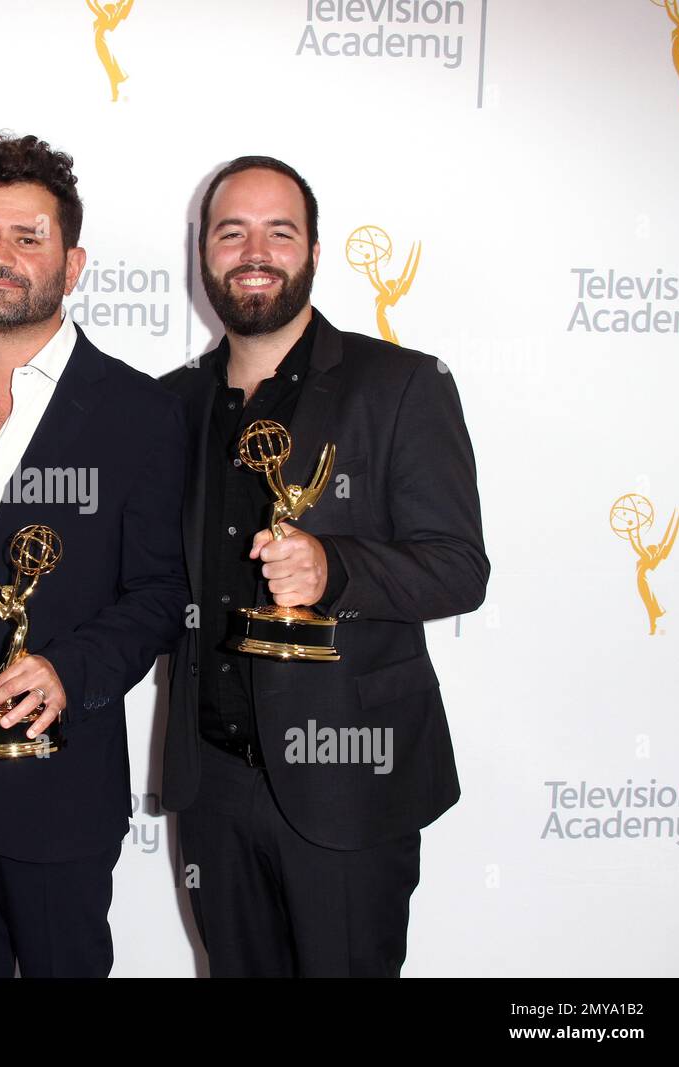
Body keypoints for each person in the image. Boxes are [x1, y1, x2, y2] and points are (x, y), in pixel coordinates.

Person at [161, 156, 488, 977]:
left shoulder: (402, 384)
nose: (255, 251)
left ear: (313, 249)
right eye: (232, 232)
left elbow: (459, 568)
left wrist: (334, 570)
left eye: (280, 231)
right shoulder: (171, 404)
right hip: (215, 787)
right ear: (205, 252)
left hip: (350, 775)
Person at [0, 133, 189, 978]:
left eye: (28, 237)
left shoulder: (139, 412)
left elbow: (161, 594)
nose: (0, 256)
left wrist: (68, 669)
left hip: (57, 787)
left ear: (74, 260)